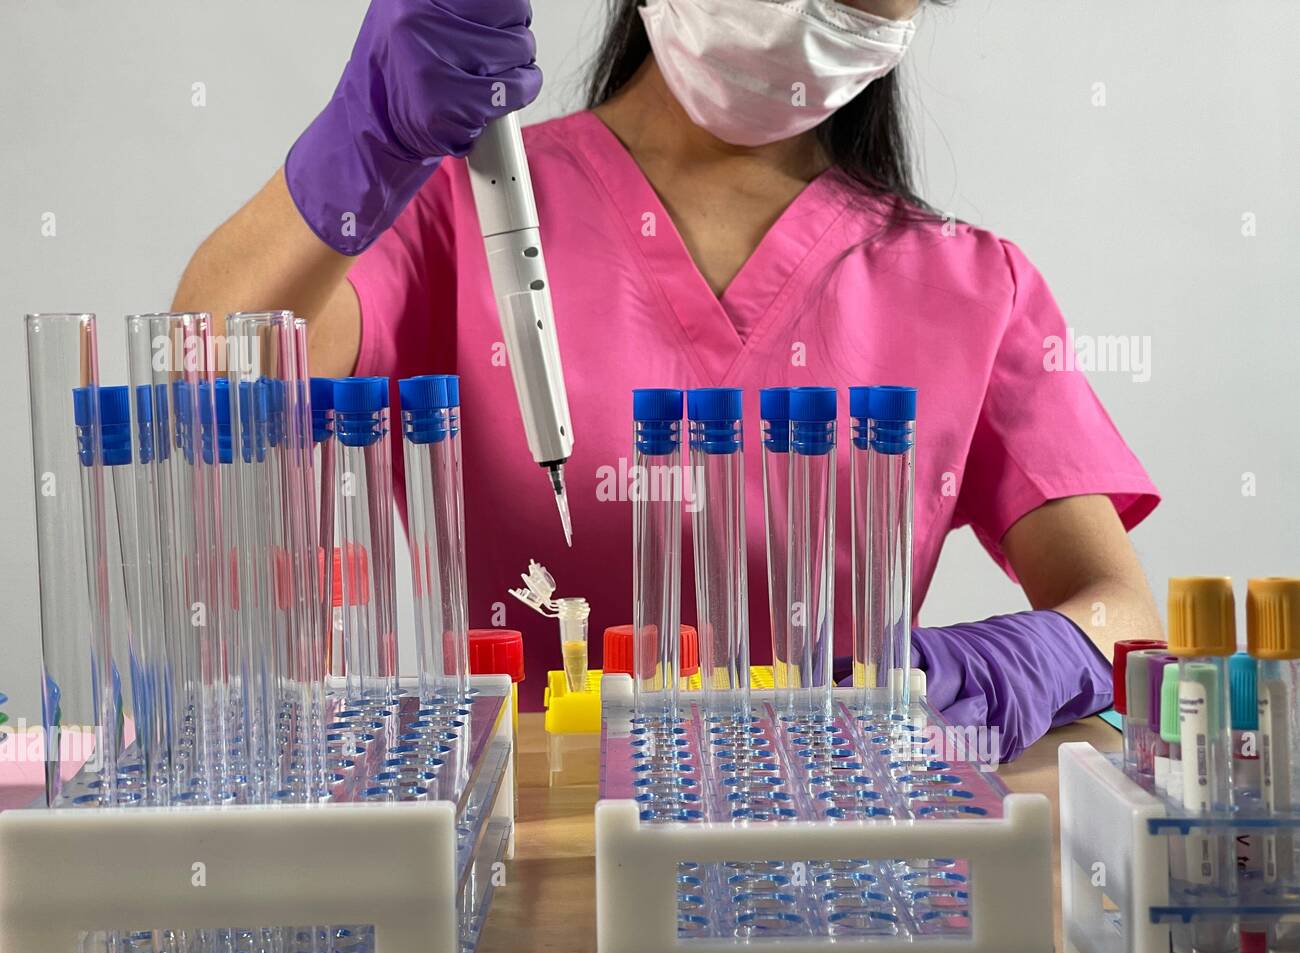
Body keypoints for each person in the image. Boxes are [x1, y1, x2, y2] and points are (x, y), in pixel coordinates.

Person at [174, 0, 1163, 760]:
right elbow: (210, 363)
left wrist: (1013, 668)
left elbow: (1117, 607)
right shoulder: (450, 208)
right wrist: (366, 138)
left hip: (833, 885)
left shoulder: (969, 286)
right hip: (523, 870)